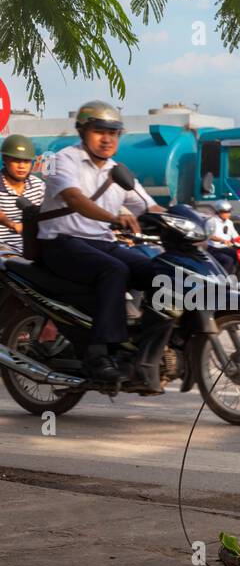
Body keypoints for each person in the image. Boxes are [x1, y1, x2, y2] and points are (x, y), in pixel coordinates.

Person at [37, 100, 165, 382]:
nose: (107, 138)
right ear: (82, 131)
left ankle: (144, 344)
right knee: (114, 270)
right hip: (62, 241)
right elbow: (74, 198)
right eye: (99, 130)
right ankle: (99, 354)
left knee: (160, 271)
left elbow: (149, 206)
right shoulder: (63, 160)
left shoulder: (119, 171)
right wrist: (113, 217)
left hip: (100, 243)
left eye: (114, 132)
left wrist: (189, 221)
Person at [0, 134, 45, 256]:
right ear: (5, 159)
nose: (22, 166)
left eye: (26, 161)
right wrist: (12, 224)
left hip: (35, 247)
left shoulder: (38, 186)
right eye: (16, 160)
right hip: (4, 248)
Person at [204, 199, 239, 273]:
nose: (228, 214)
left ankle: (237, 275)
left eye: (229, 211)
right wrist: (222, 240)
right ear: (219, 212)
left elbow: (236, 236)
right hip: (213, 249)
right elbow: (209, 236)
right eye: (226, 212)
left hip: (226, 248)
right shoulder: (212, 221)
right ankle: (223, 280)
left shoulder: (229, 223)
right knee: (228, 260)